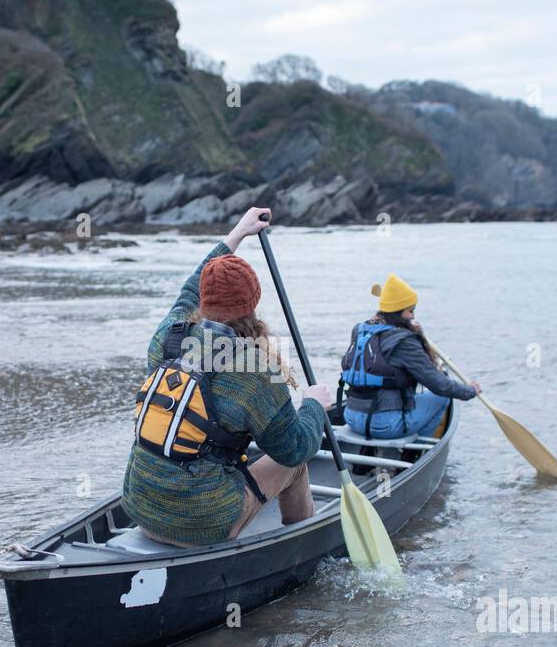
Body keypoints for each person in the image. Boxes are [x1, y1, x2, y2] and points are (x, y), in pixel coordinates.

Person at [123, 207, 334, 547]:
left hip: (138, 508)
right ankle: (302, 545)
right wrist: (313, 406)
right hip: (203, 525)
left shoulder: (168, 336)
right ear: (252, 305)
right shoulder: (254, 368)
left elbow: (189, 290)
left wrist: (236, 233)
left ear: (203, 299)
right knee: (294, 467)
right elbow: (294, 449)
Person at [338, 273, 480, 439]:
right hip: (384, 426)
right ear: (398, 313)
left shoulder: (360, 330)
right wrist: (470, 390)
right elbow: (438, 385)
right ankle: (418, 449)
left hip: (351, 417)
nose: (413, 316)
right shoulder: (405, 342)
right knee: (442, 398)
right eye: (410, 311)